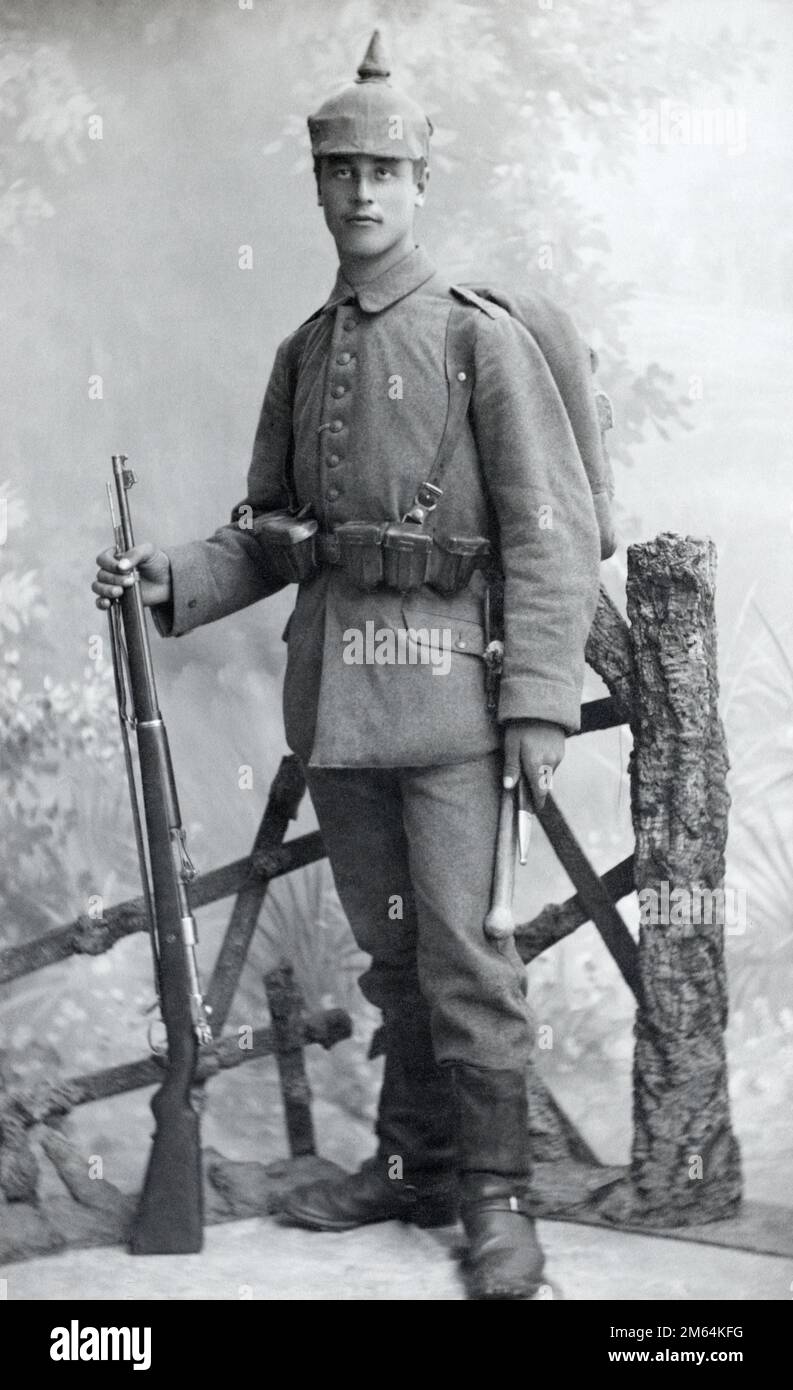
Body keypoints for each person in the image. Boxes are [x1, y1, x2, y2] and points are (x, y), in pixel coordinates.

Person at [93, 31, 604, 1300]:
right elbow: (272, 530)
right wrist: (178, 577)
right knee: (391, 958)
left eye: (385, 168)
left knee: (467, 954)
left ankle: (494, 1202)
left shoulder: (478, 339)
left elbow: (552, 526)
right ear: (316, 188)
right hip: (343, 700)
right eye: (341, 170)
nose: (363, 190)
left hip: (453, 702)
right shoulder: (303, 352)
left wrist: (537, 702)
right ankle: (414, 1163)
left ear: (421, 180)